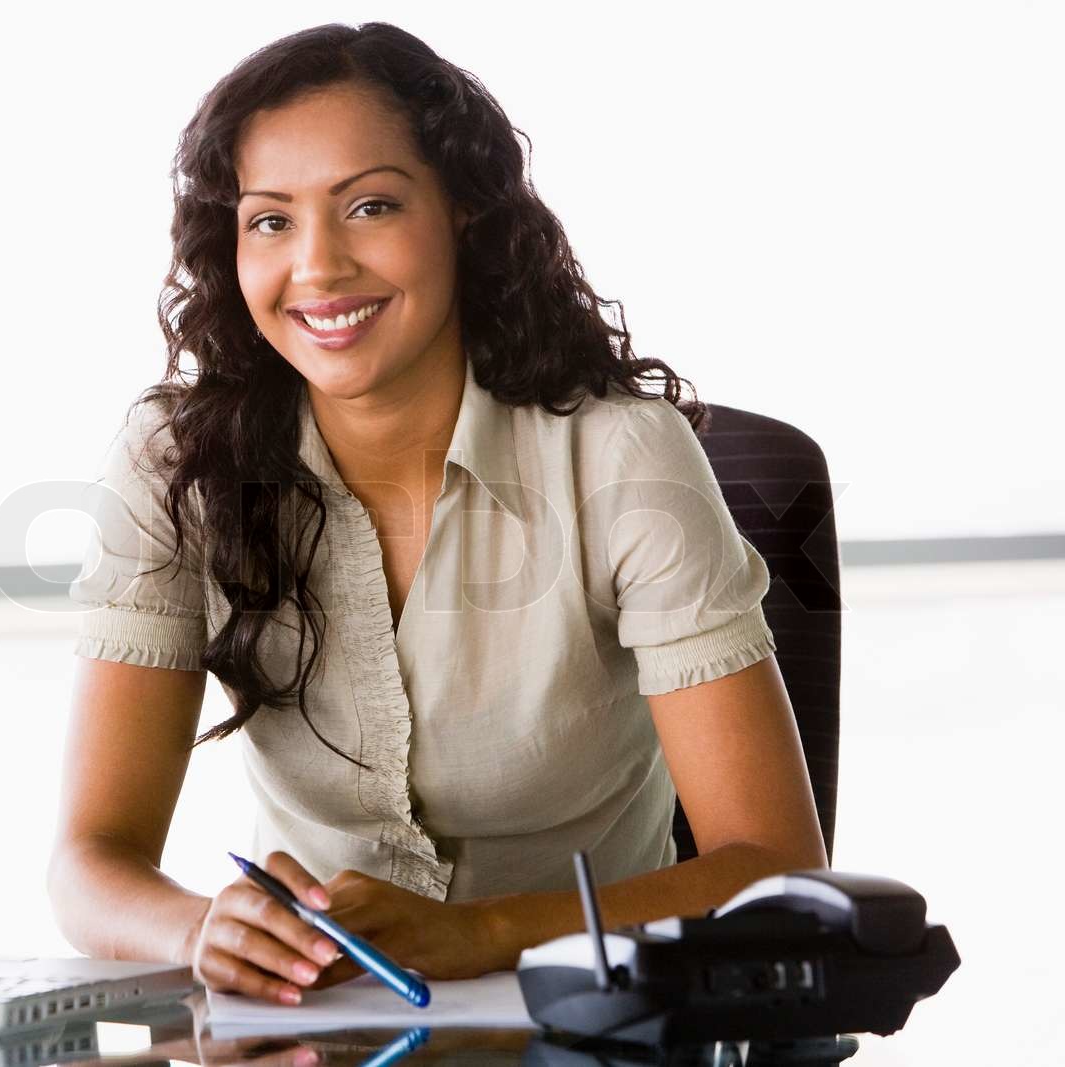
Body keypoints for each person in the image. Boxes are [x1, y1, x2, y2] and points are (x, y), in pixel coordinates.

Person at [46, 21, 826, 1008]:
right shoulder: (176, 459)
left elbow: (775, 866)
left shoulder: (620, 455)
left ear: (462, 211)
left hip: (588, 1024)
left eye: (370, 206)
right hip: (316, 1024)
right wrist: (199, 927)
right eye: (270, 221)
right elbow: (90, 860)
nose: (317, 266)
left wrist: (484, 933)